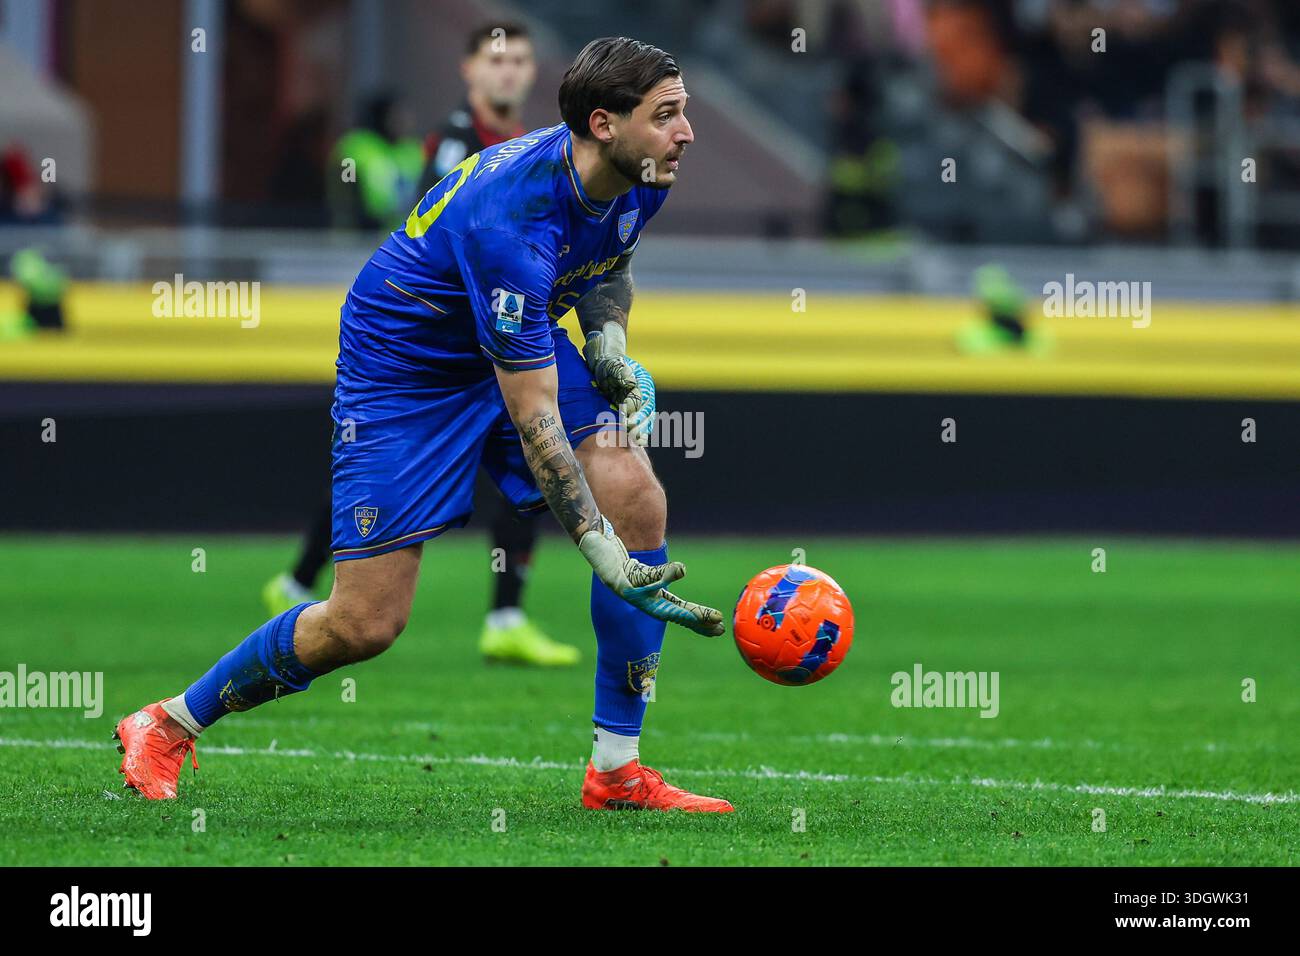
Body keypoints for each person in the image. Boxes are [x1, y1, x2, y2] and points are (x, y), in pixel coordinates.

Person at [117, 36, 734, 813]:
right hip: (407, 369)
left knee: (636, 496)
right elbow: (535, 415)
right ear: (605, 124)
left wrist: (607, 344)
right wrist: (597, 548)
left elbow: (608, 263)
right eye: (669, 116)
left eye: (684, 113)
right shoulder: (514, 220)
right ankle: (169, 722)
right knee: (366, 622)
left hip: (514, 337)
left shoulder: (644, 170)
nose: (686, 133)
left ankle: (616, 770)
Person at [264, 22, 579, 666]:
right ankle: (302, 579)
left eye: (519, 60)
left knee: (530, 458)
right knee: (396, 469)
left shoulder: (533, 148)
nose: (509, 72)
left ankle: (506, 615)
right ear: (468, 71)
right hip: (435, 345)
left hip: (493, 336)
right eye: (495, 60)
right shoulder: (457, 144)